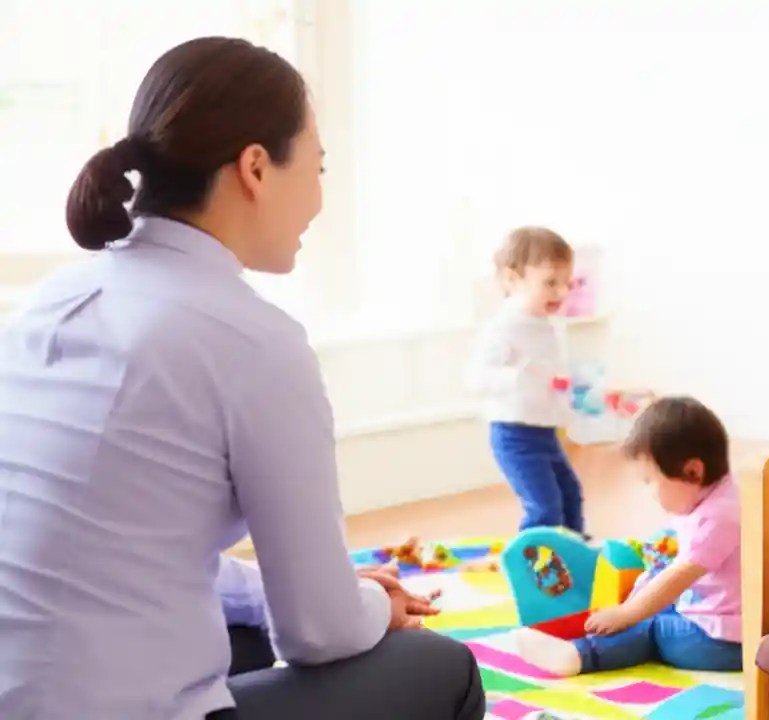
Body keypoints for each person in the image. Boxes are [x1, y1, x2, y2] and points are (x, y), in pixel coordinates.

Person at [0, 37, 483, 720]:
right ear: (256, 166)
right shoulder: (253, 342)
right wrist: (367, 600)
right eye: (317, 167)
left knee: (246, 633)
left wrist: (306, 591)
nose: (318, 199)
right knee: (442, 669)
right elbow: (319, 632)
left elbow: (118, 552)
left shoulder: (50, 301)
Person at [515, 396, 743, 676]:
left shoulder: (716, 518)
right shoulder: (722, 495)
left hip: (720, 641)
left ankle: (580, 655)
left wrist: (627, 613)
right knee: (652, 604)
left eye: (650, 480)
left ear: (693, 471)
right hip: (726, 625)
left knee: (648, 624)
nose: (649, 492)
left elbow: (677, 577)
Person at [465, 227, 586, 535]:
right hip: (514, 435)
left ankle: (576, 557)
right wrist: (517, 377)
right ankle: (535, 566)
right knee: (544, 506)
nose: (560, 292)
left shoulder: (545, 326)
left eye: (565, 283)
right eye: (550, 283)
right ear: (512, 279)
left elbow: (551, 380)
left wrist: (573, 393)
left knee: (570, 496)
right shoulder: (502, 327)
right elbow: (476, 378)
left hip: (545, 432)